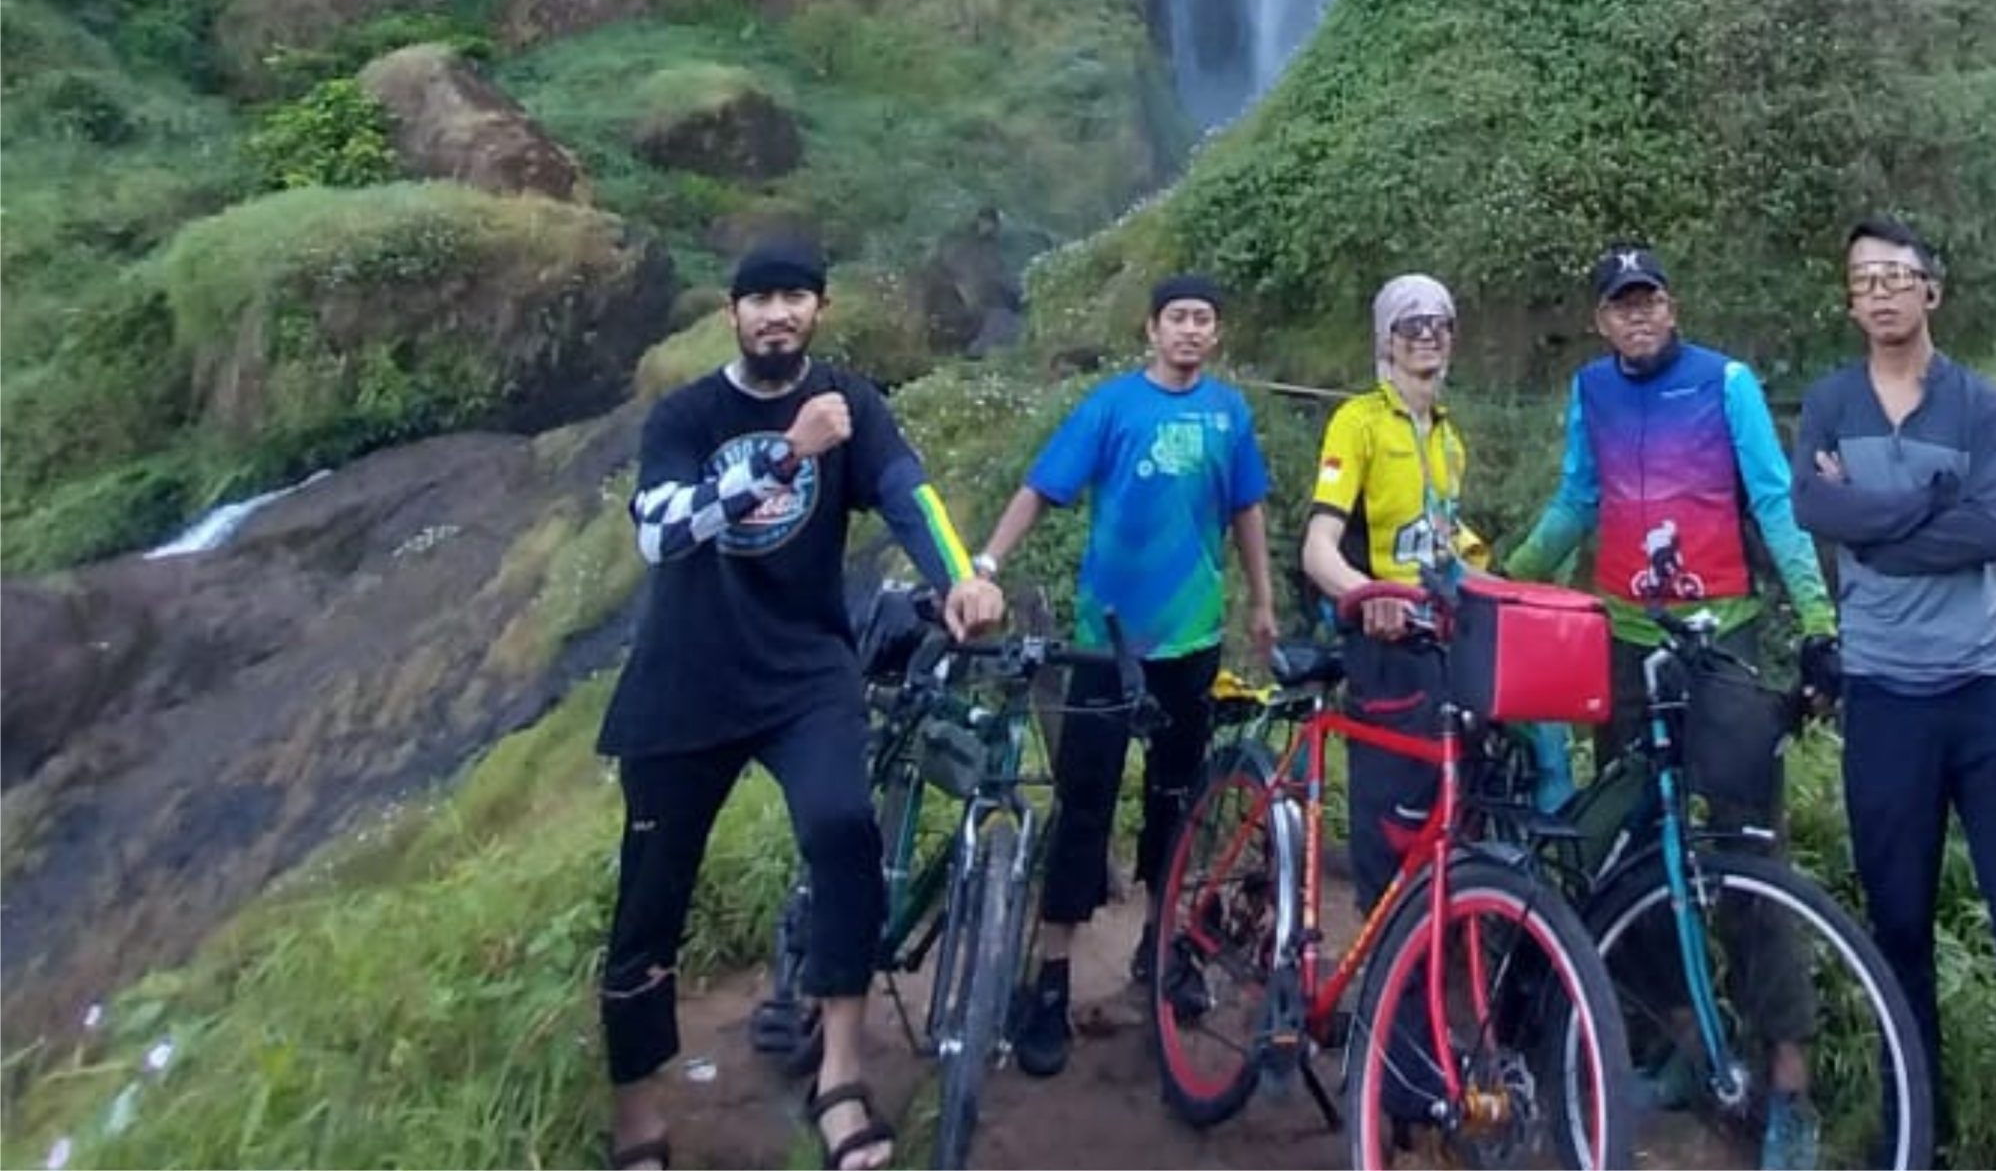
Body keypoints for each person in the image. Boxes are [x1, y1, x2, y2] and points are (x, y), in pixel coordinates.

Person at [595, 242, 1005, 1171]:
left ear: (818, 308)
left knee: (844, 830)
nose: (777, 314)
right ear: (732, 314)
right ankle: (638, 1117)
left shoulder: (852, 403)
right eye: (759, 300)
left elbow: (909, 492)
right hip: (685, 680)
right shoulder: (689, 412)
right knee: (650, 897)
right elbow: (662, 532)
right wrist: (787, 452)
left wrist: (959, 577)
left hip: (805, 673)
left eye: (794, 297)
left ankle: (841, 1078)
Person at [1503, 244, 1839, 1168]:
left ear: (1672, 307)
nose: (1638, 317)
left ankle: (1790, 1090)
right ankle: (1683, 1047)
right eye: (1621, 306)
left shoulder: (1725, 384)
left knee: (1747, 850)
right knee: (1625, 851)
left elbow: (1775, 503)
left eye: (1650, 301)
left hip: (1719, 641)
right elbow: (1576, 502)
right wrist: (1504, 576)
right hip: (1621, 645)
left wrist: (1817, 621)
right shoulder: (1591, 390)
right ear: (1603, 320)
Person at [1791, 217, 1996, 1169]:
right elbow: (1813, 509)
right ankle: (1913, 1146)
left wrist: (1875, 528)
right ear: (1850, 301)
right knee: (1899, 941)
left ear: (1933, 290)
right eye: (1863, 280)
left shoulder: (1978, 406)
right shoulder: (1830, 403)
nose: (1881, 292)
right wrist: (1924, 503)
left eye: (1898, 276)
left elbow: (1990, 529)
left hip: (1985, 696)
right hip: (1884, 700)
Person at [972, 273, 1278, 1077]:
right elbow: (1042, 488)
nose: (1189, 330)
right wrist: (987, 563)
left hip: (1193, 642)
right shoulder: (1111, 406)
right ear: (1151, 329)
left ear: (1216, 334)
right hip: (1108, 645)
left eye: (1202, 319)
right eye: (1176, 317)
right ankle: (1051, 977)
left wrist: (1262, 603)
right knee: (1085, 804)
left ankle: (1161, 947)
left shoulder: (1229, 413)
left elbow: (1248, 510)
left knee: (1176, 806)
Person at [1298, 272, 1490, 1150]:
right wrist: (1363, 592)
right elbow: (1318, 547)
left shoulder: (1448, 437)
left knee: (1447, 843)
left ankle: (1428, 1047)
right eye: (1411, 323)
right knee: (1391, 854)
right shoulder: (1359, 422)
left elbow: (1453, 542)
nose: (1428, 336)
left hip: (1443, 648)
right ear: (1383, 338)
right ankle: (1392, 1072)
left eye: (1441, 322)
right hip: (1383, 654)